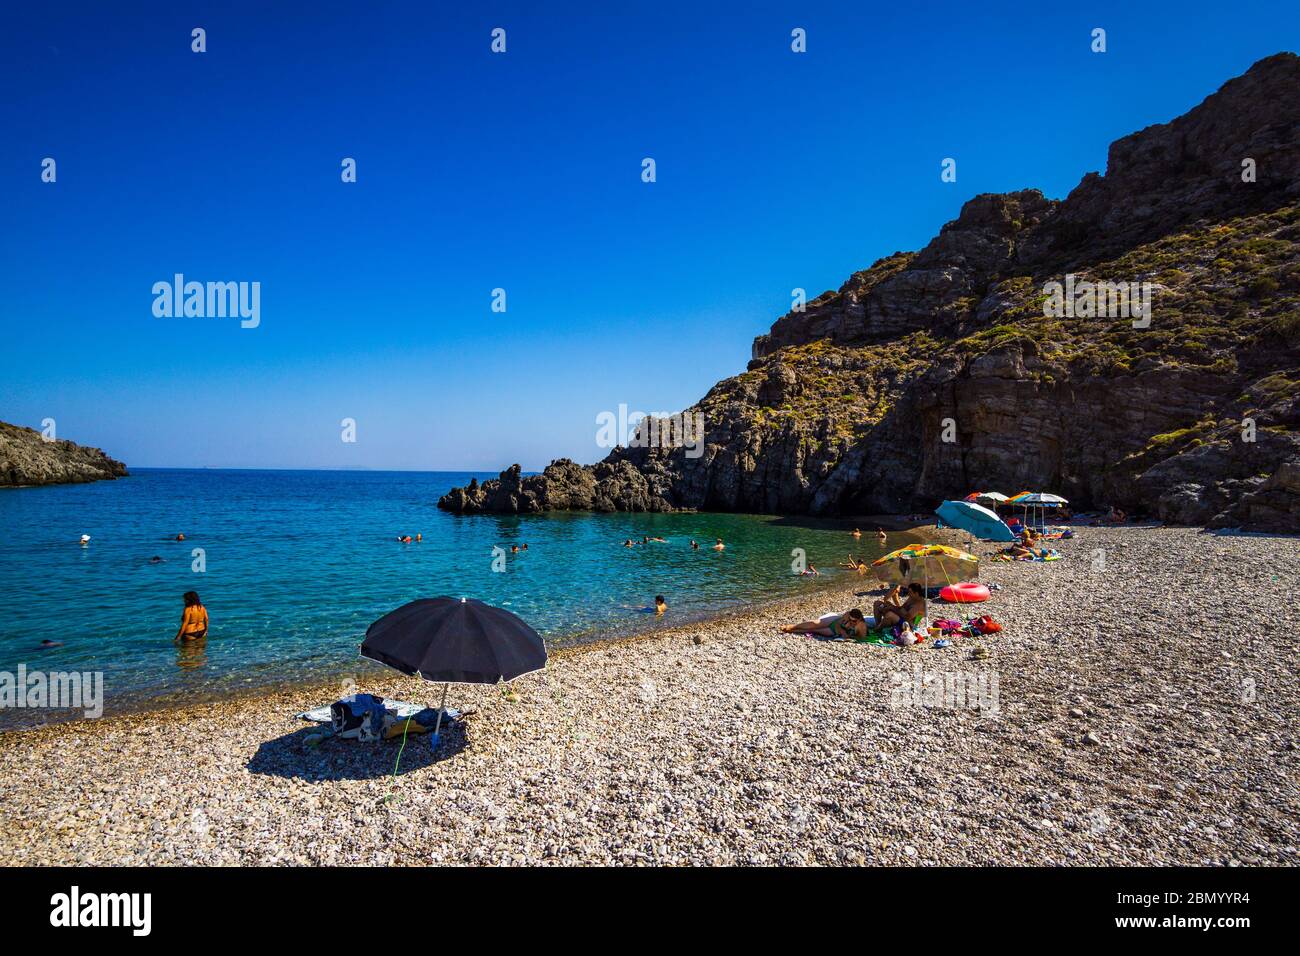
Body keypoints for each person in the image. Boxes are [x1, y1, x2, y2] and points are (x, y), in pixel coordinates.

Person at [780, 608, 867, 639]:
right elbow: (838, 623)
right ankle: (792, 626)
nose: (851, 622)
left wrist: (847, 636)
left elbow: (860, 638)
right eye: (850, 619)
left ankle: (791, 631)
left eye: (854, 621)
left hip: (834, 631)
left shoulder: (861, 626)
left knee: (814, 630)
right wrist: (843, 631)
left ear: (859, 619)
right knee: (814, 623)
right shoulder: (848, 614)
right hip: (834, 622)